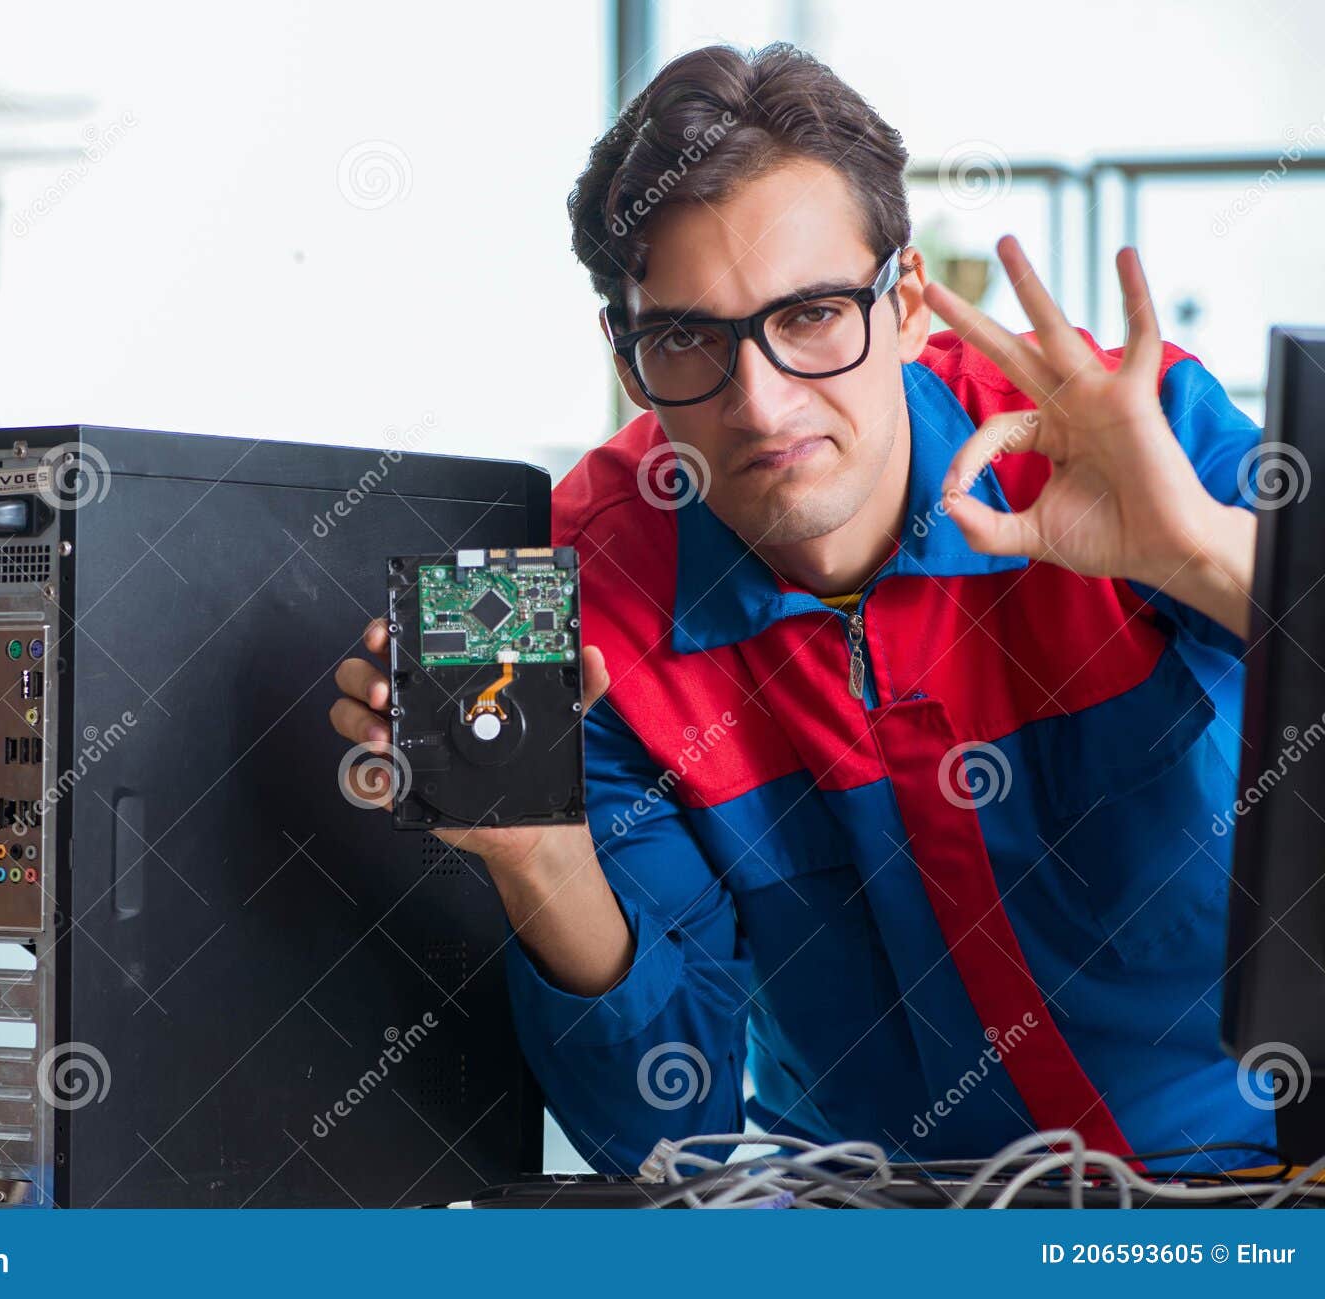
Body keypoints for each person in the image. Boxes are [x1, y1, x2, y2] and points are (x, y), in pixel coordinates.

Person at [329, 43, 1266, 1174]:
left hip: (1262, 1177)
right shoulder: (578, 605)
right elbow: (664, 1133)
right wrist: (538, 859)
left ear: (909, 301)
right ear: (627, 362)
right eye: (685, 338)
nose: (761, 404)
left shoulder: (1127, 431)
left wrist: (1199, 553)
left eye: (814, 313)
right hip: (885, 1221)